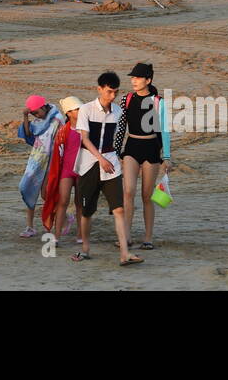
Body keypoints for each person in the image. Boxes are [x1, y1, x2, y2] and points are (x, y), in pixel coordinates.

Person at [73, 72, 140, 265]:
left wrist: (115, 159)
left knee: (119, 209)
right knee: (87, 212)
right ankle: (85, 249)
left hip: (111, 165)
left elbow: (118, 140)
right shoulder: (86, 110)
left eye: (115, 92)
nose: (112, 96)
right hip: (88, 165)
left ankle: (124, 254)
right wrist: (100, 158)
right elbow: (84, 139)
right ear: (100, 89)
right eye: (109, 91)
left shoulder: (118, 112)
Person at [121, 63, 171, 250]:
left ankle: (148, 238)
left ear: (148, 80)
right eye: (132, 77)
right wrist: (117, 152)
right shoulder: (126, 99)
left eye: (137, 77)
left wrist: (167, 157)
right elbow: (121, 128)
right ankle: (125, 235)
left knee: (146, 196)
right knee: (128, 192)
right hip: (131, 147)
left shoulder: (159, 102)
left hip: (151, 148)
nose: (133, 80)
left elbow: (164, 130)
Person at [16, 94, 64, 239]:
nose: (35, 115)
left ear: (44, 107)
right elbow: (29, 133)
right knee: (27, 188)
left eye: (36, 112)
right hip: (36, 160)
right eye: (33, 113)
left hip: (51, 161)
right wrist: (26, 117)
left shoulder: (57, 119)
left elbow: (59, 141)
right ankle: (29, 227)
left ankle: (58, 221)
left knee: (46, 194)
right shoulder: (38, 120)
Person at [41, 96, 84, 242]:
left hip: (81, 170)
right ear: (69, 113)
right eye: (76, 109)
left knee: (80, 204)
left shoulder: (87, 129)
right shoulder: (63, 131)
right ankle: (57, 235)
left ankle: (80, 235)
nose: (80, 111)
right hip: (66, 171)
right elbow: (56, 156)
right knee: (63, 201)